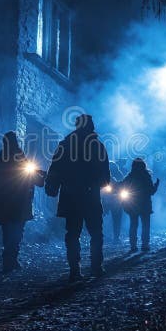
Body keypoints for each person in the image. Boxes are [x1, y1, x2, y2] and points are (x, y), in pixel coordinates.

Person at [45, 114, 111, 281]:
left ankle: (75, 269)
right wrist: (95, 184)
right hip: (91, 197)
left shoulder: (65, 145)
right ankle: (96, 267)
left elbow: (55, 169)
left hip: (70, 196)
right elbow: (105, 177)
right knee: (96, 233)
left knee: (73, 233)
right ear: (91, 126)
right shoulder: (97, 146)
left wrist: (52, 187)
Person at [0, 131, 45, 272]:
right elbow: (39, 181)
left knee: (8, 231)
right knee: (16, 232)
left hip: (3, 204)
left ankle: (9, 259)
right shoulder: (22, 163)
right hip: (20, 204)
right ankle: (11, 259)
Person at [119, 158, 160, 252]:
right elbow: (151, 191)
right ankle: (145, 245)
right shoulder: (146, 176)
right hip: (145, 205)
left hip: (133, 205)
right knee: (145, 225)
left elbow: (122, 185)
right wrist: (156, 186)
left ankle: (133, 246)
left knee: (133, 225)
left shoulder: (130, 176)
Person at [102, 161, 124, 244]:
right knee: (115, 219)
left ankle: (116, 237)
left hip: (116, 200)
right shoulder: (105, 175)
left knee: (116, 219)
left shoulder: (119, 175)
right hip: (107, 200)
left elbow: (123, 185)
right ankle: (103, 235)